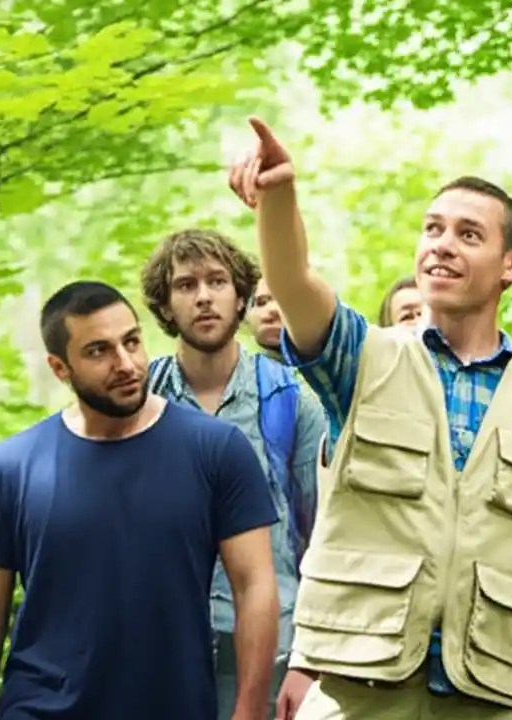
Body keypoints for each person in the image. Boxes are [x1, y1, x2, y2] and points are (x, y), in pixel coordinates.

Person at [228, 116, 512, 720]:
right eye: (432, 229)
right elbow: (292, 283)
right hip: (356, 693)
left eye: (469, 234)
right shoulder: (362, 358)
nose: (442, 244)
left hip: (485, 699)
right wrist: (280, 195)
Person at [0, 281, 280, 720]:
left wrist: (250, 711)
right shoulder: (9, 469)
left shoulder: (216, 450)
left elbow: (254, 585)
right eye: (98, 351)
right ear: (60, 368)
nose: (126, 363)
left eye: (132, 342)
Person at [140, 229, 327, 719]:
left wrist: (310, 660)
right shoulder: (139, 399)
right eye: (185, 285)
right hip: (161, 649)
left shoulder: (289, 398)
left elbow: (324, 538)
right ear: (164, 305)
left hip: (272, 650)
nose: (203, 296)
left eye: (217, 281)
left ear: (241, 296)